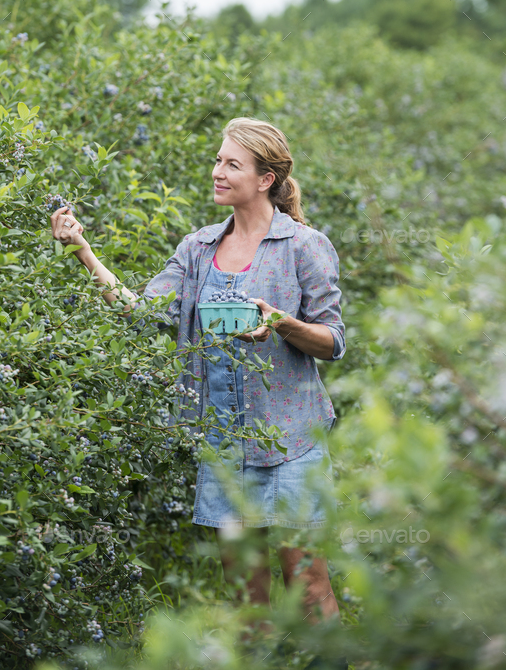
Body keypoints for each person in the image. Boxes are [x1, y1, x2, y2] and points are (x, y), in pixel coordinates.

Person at [49, 116, 346, 634]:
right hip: (226, 443)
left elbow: (333, 341)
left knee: (308, 585)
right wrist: (82, 251)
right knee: (246, 599)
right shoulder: (198, 249)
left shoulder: (303, 245)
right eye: (217, 160)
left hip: (293, 437)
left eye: (231, 164)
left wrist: (279, 323)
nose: (217, 172)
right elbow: (140, 313)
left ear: (264, 179)